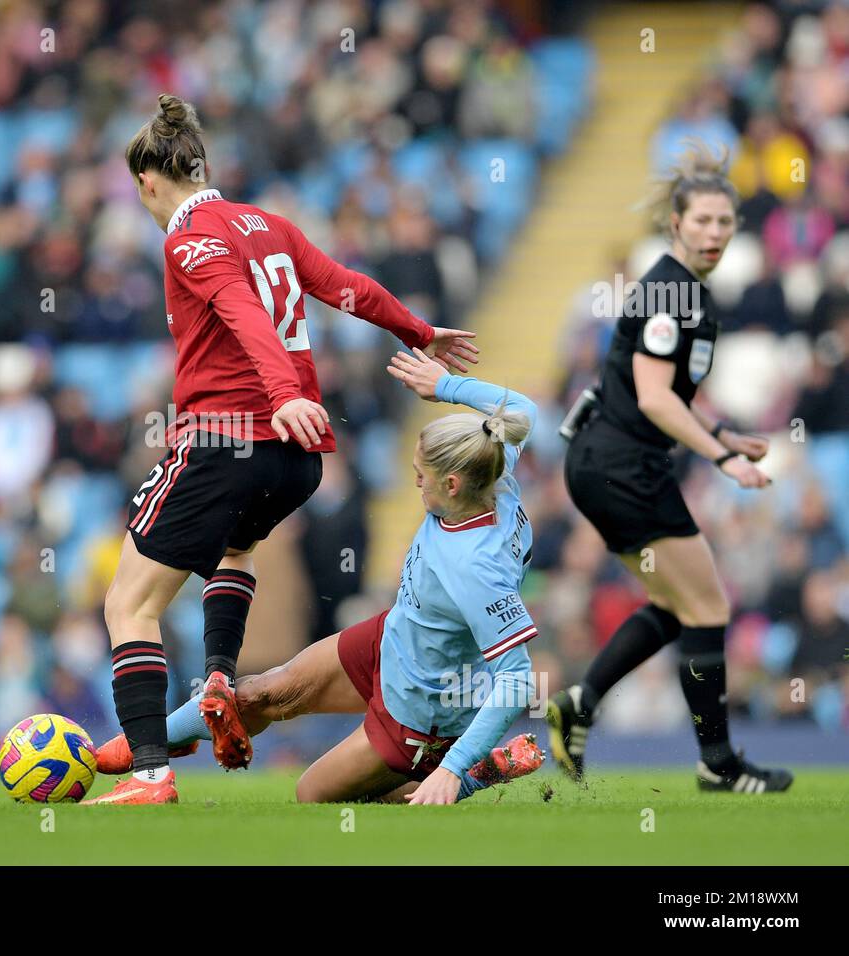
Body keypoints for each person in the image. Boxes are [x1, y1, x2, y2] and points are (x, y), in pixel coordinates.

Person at [87, 94, 480, 805]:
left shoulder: (186, 239)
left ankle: (151, 774)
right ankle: (216, 678)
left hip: (229, 437)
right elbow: (347, 289)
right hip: (296, 460)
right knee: (233, 550)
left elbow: (238, 309)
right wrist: (420, 332)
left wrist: (280, 393)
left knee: (129, 606)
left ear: (148, 181)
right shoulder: (269, 224)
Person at [95, 350, 545, 805]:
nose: (415, 483)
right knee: (263, 693)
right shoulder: (492, 470)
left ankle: (477, 772)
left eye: (420, 476)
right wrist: (444, 385)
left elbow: (516, 680)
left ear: (451, 485)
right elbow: (522, 411)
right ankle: (132, 749)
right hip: (392, 638)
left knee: (313, 794)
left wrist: (453, 767)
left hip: (423, 702)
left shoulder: (475, 567)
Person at [548, 144, 792, 794]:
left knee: (674, 602)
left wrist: (720, 432)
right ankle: (717, 763)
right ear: (677, 223)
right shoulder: (671, 293)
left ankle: (581, 703)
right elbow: (653, 398)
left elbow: (660, 396)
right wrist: (723, 462)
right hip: (623, 465)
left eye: (724, 222)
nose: (714, 232)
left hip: (608, 461)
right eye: (702, 220)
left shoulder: (680, 289)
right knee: (708, 605)